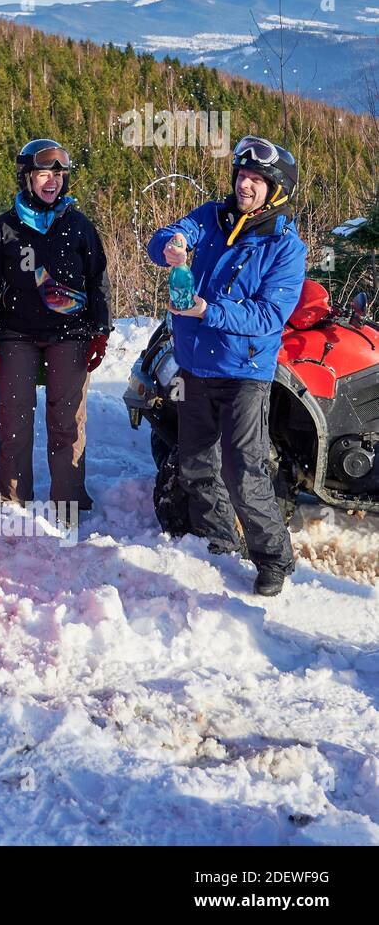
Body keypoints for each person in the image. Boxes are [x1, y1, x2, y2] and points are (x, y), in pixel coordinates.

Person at [147, 135, 305, 596]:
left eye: (257, 180)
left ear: (276, 190)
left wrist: (205, 310)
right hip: (196, 367)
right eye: (242, 176)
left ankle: (274, 557)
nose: (246, 186)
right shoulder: (212, 218)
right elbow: (164, 241)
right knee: (196, 463)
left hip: (244, 374)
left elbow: (268, 317)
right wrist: (172, 245)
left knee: (244, 471)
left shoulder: (285, 247)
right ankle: (219, 543)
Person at [0, 138, 111, 514]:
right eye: (43, 173)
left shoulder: (79, 225)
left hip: (71, 334)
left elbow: (98, 279)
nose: (51, 181)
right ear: (27, 177)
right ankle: (12, 495)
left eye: (58, 174)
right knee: (13, 418)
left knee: (66, 419)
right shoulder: (6, 227)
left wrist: (101, 329)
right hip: (17, 333)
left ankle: (68, 498)